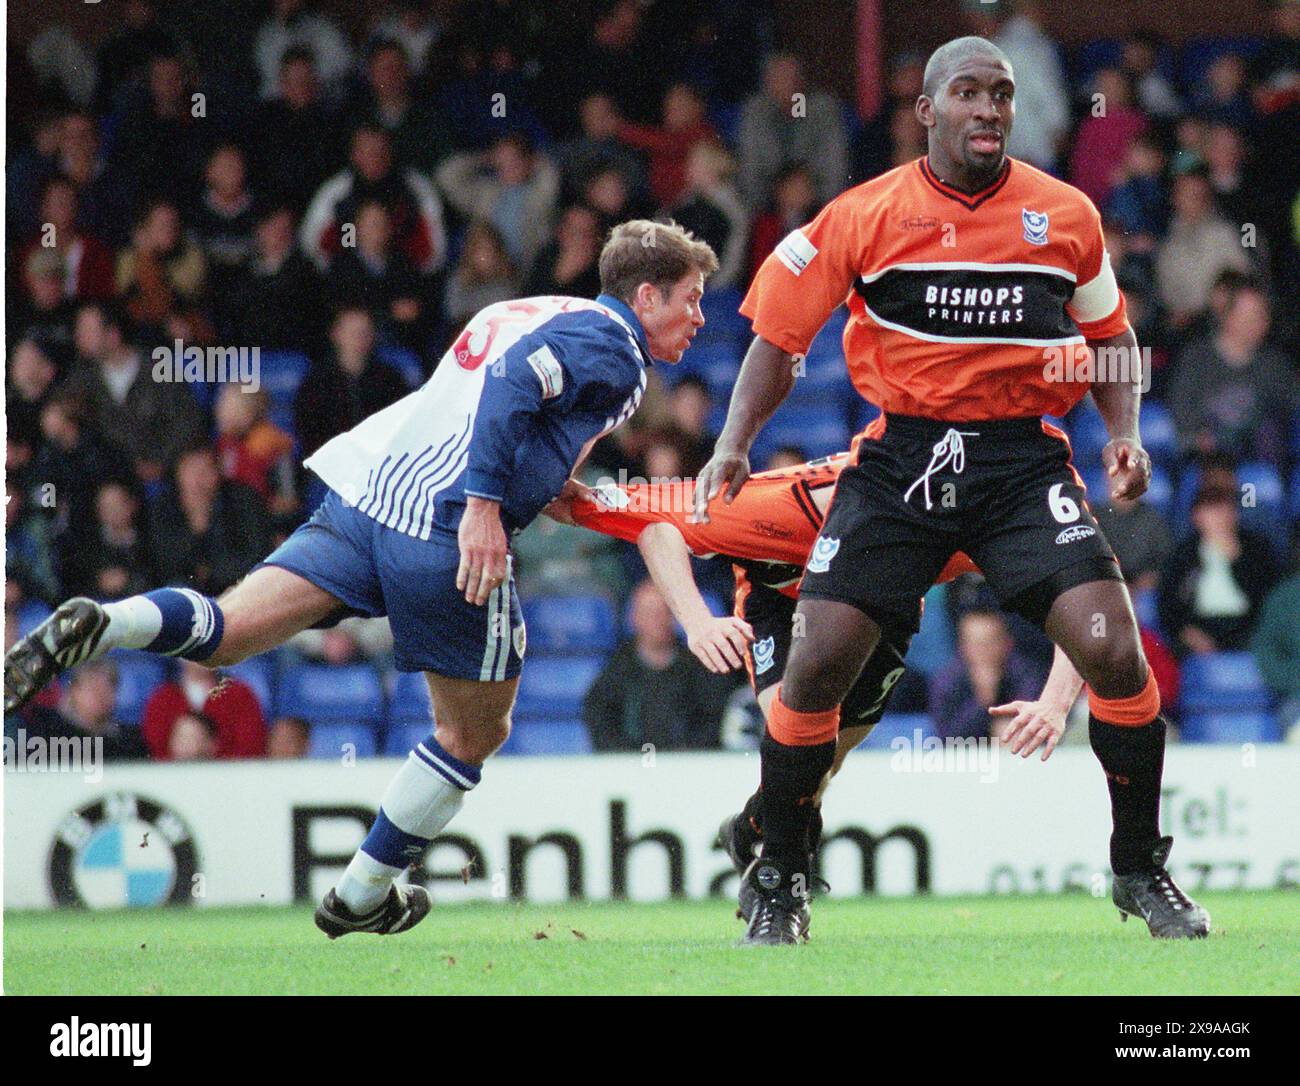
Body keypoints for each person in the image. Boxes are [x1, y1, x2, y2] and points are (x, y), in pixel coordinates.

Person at [4, 219, 718, 941]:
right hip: (444, 534)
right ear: (647, 295)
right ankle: (362, 890)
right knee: (473, 732)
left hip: (367, 499)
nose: (700, 318)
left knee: (225, 634)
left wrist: (552, 485)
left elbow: (486, 403)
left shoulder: (529, 308)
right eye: (691, 299)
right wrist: (481, 507)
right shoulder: (616, 350)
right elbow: (508, 384)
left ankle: (105, 622)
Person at [692, 36, 1210, 943]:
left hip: (1021, 466)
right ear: (926, 111)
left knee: (1115, 649)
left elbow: (1113, 339)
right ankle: (776, 876)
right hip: (902, 464)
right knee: (816, 664)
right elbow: (778, 341)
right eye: (968, 93)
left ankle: (1139, 871)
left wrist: (1124, 433)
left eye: (1002, 95)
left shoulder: (1068, 215)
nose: (989, 110)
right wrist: (735, 443)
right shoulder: (863, 215)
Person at [556, 450, 1084, 921]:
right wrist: (697, 623)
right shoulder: (773, 507)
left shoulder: (945, 528)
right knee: (797, 733)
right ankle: (781, 891)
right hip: (779, 607)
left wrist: (1058, 701)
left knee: (823, 758)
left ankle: (750, 827)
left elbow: (1079, 592)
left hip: (883, 614)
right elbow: (654, 526)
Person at [582, 579, 732, 751]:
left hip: (688, 766)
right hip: (629, 768)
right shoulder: (616, 670)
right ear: (634, 618)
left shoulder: (699, 668)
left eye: (664, 612)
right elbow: (600, 720)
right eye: (650, 613)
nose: (658, 620)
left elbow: (713, 721)